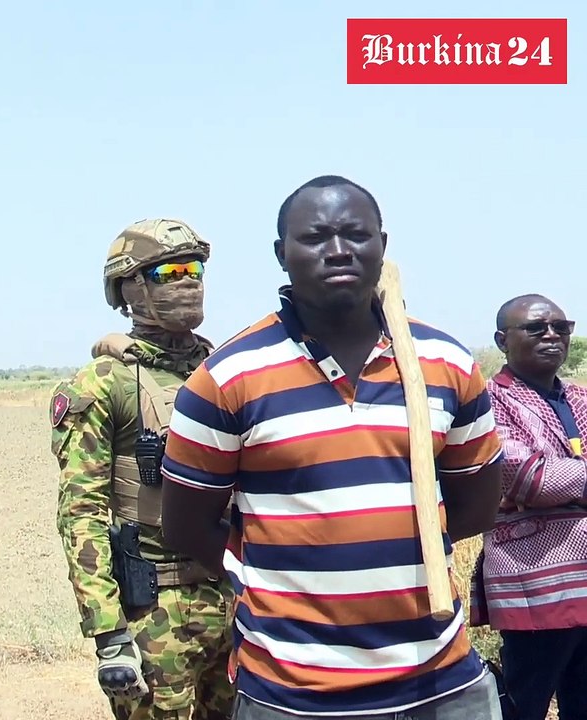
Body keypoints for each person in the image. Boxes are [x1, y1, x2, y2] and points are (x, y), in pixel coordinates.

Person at [159, 175, 506, 719]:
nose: (339, 250)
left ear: (382, 247)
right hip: (291, 693)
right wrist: (279, 586)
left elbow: (476, 504)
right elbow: (186, 525)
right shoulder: (226, 376)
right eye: (316, 237)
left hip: (442, 683)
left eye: (356, 234)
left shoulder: (445, 362)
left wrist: (387, 552)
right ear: (282, 255)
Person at [48, 218, 234, 720]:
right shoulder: (105, 383)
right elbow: (81, 513)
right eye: (169, 271)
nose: (188, 281)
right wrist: (109, 633)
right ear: (130, 287)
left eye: (193, 269)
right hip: (154, 612)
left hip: (233, 599)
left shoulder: (224, 371)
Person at [471, 293, 587, 720]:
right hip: (535, 582)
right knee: (527, 704)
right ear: (503, 341)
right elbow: (526, 476)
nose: (552, 335)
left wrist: (567, 476)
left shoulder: (580, 397)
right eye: (536, 328)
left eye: (562, 327)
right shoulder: (486, 401)